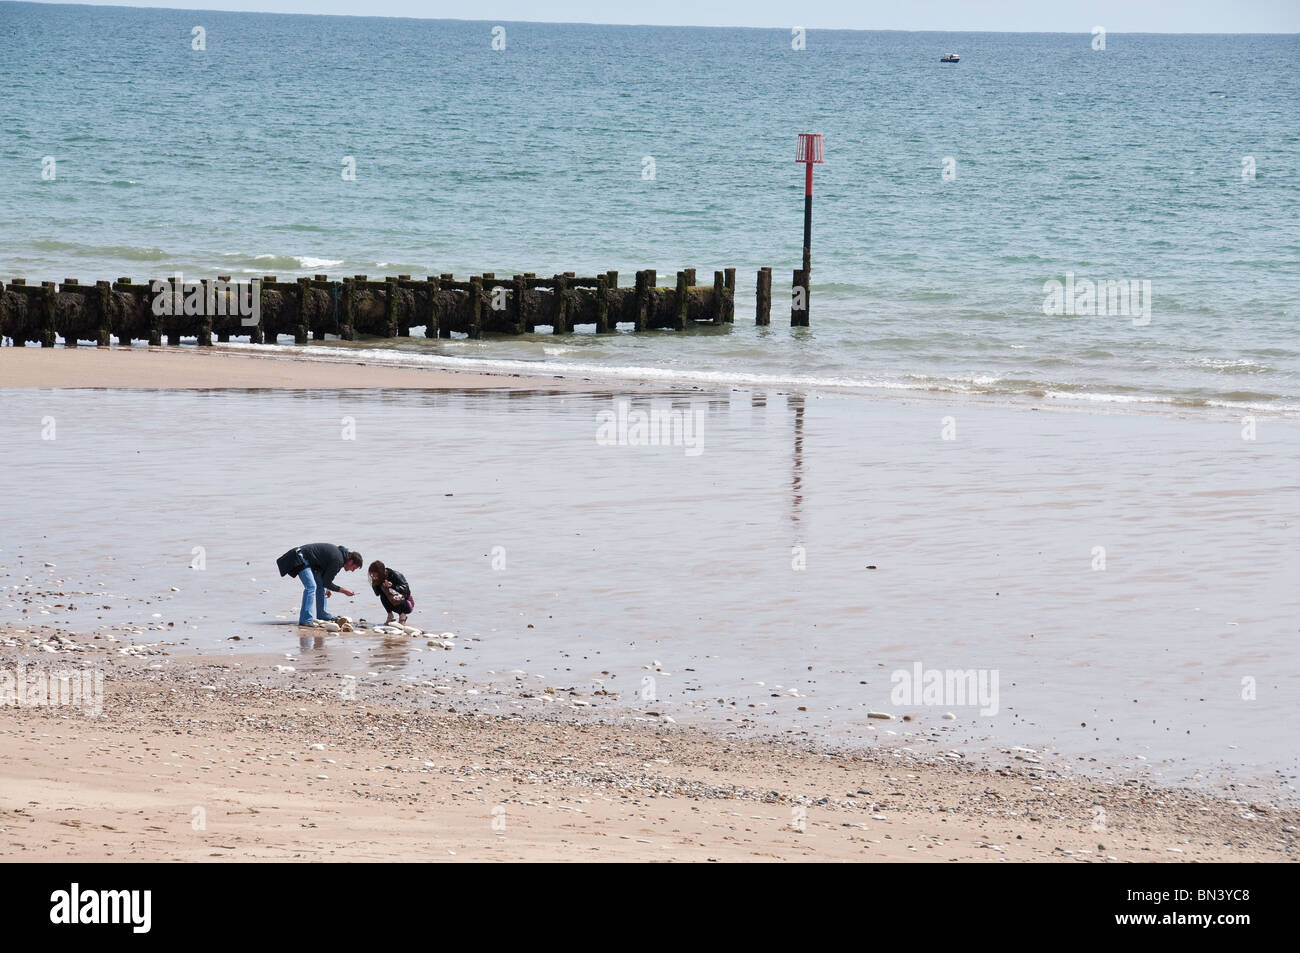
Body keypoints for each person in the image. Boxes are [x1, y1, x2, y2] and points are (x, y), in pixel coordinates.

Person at [276, 543, 362, 627]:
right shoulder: (338, 560)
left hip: (308, 561)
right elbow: (327, 582)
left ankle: (322, 615)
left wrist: (327, 587)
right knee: (311, 586)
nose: (353, 570)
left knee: (321, 586)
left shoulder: (339, 556)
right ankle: (305, 620)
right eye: (354, 568)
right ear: (350, 561)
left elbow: (324, 580)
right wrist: (344, 591)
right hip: (299, 557)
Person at [368, 560, 414, 625]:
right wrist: (374, 583)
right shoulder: (379, 578)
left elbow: (407, 591)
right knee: (383, 593)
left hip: (407, 603)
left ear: (380, 572)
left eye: (374, 574)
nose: (372, 576)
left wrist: (393, 586)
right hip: (394, 604)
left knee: (386, 589)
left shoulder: (395, 575)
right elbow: (377, 594)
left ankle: (403, 615)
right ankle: (390, 615)